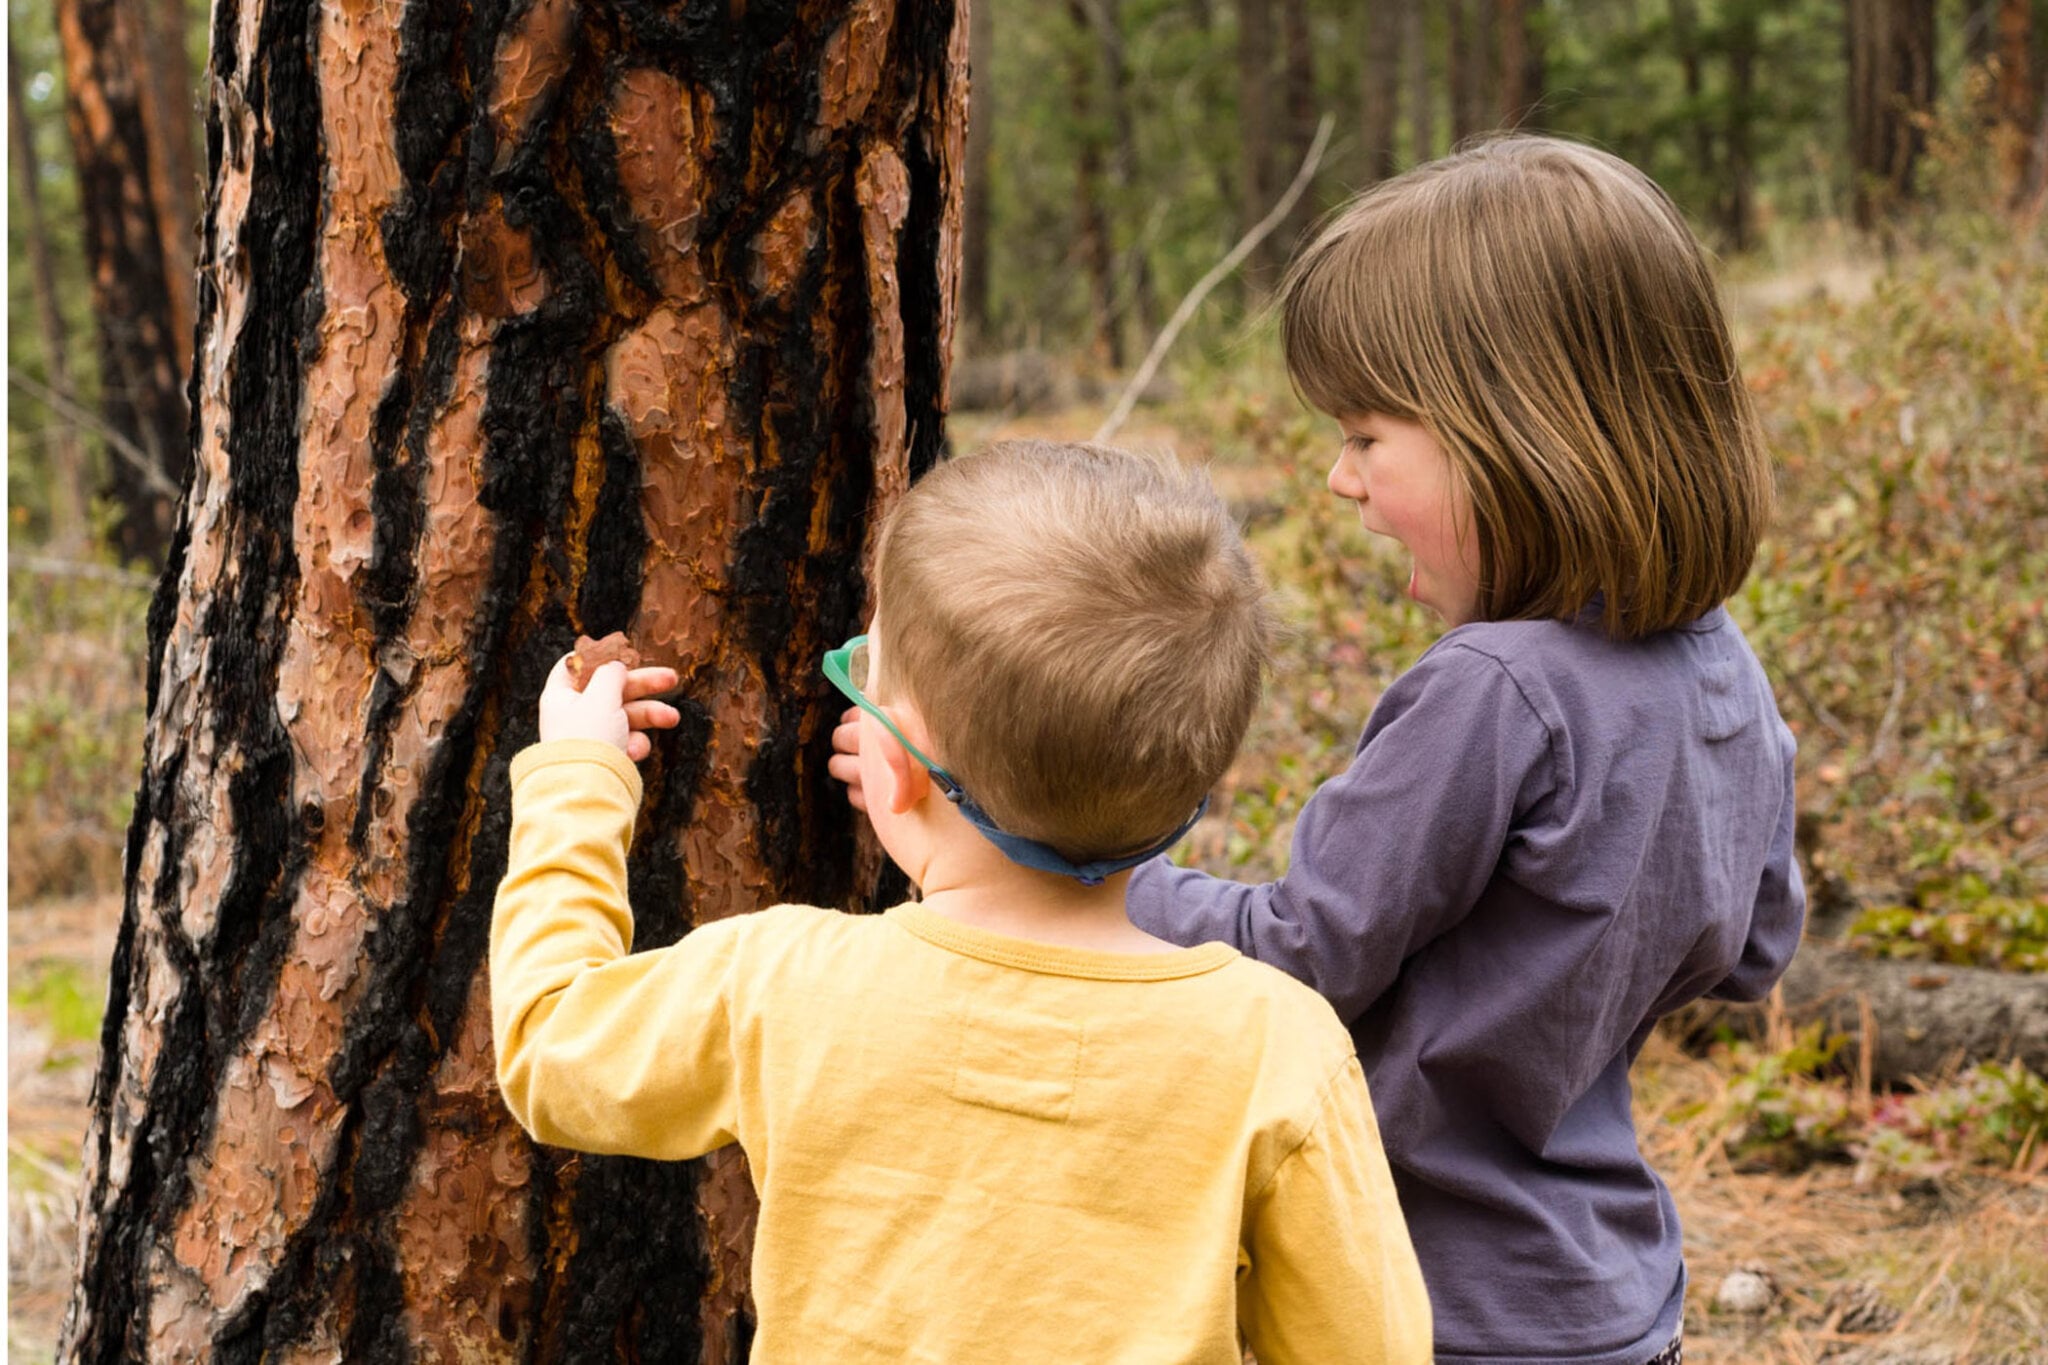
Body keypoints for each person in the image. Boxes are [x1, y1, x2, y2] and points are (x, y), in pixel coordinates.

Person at [830, 136, 1805, 1365]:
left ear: (1514, 432)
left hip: (1419, 1296)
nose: (1338, 480)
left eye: (1364, 435)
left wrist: (1034, 863)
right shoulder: (1715, 665)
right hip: (1604, 1291)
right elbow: (1755, 939)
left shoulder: (1494, 694)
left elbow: (1303, 955)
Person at [492, 440, 1433, 1364]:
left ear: (892, 768)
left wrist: (581, 773)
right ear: (1193, 788)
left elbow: (549, 1039)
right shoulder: (1279, 1051)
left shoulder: (785, 986)